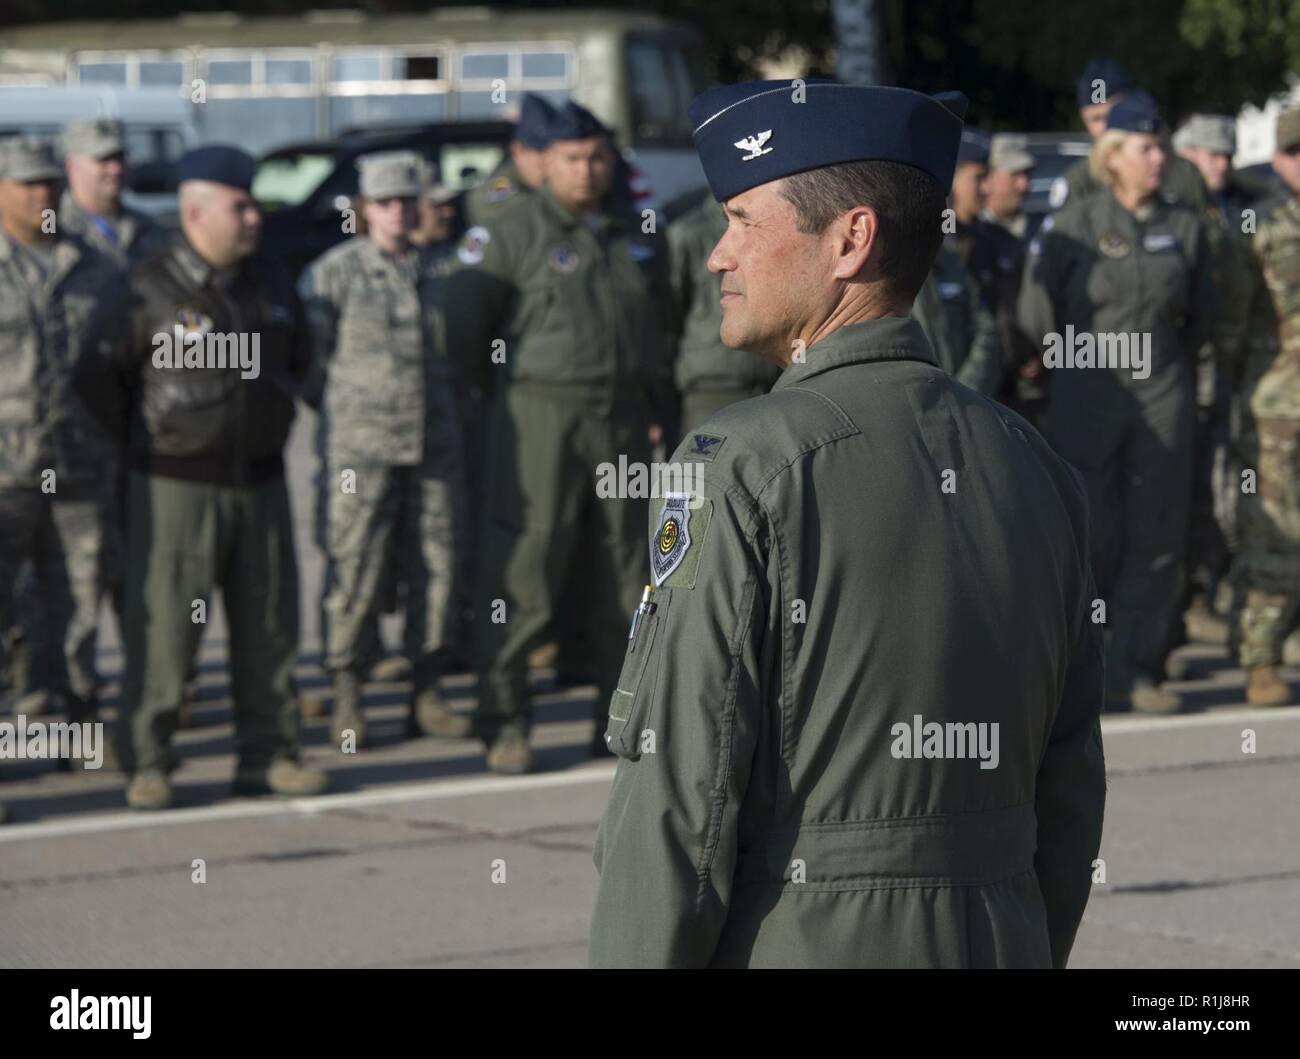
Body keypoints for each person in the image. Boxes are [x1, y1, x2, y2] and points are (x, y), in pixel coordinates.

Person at [589, 80, 1105, 968]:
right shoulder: (1036, 464)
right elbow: (1068, 797)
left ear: (850, 239)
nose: (719, 254)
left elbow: (682, 793)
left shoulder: (739, 461)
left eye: (745, 220)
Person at [76, 145, 327, 809]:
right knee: (163, 627)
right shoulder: (148, 286)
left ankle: (269, 753)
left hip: (263, 480)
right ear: (195, 211)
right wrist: (150, 443)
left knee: (269, 625)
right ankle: (148, 759)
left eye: (253, 204)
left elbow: (300, 359)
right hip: (173, 483)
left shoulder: (272, 280)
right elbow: (100, 377)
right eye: (238, 205)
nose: (253, 217)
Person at [445, 102, 674, 774]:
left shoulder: (635, 234)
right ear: (547, 163)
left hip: (621, 417)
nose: (587, 169)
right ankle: (505, 718)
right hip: (540, 411)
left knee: (626, 566)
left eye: (598, 155)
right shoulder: (509, 230)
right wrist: (495, 392)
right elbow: (460, 323)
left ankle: (620, 711)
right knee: (524, 562)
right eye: (573, 157)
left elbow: (658, 320)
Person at [1019, 92, 1213, 714]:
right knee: (1088, 529)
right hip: (1088, 386)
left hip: (1161, 388)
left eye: (1161, 147)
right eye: (1145, 147)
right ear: (1113, 155)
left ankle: (1138, 668)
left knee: (1157, 531)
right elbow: (1036, 307)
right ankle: (1081, 669)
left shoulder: (1186, 224)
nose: (1158, 159)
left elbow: (1203, 314)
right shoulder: (1076, 223)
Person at [299, 151, 468, 748]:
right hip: (359, 451)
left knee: (438, 568)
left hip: (435, 446)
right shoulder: (333, 274)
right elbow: (310, 367)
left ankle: (427, 690)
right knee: (354, 569)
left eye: (406, 202)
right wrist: (353, 412)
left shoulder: (443, 274)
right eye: (384, 203)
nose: (397, 213)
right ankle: (347, 689)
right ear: (365, 210)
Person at [0, 138, 124, 747]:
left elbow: (123, 362)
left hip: (77, 464)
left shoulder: (94, 267)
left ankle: (77, 732)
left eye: (50, 183)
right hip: (4, 472)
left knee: (79, 602)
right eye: (28, 184)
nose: (43, 195)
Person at [1171, 114, 1269, 647]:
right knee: (1192, 484)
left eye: (1225, 154)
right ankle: (1189, 600)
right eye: (1209, 154)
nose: (1220, 164)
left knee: (1233, 481)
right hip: (1192, 360)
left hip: (1240, 360)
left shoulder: (1249, 203)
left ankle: (1221, 592)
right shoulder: (1177, 208)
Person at [1224, 107, 1300, 706]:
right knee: (1271, 529)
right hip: (1278, 406)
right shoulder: (1262, 232)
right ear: (1279, 162)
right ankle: (1261, 659)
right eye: (1296, 154)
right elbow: (1233, 323)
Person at [668, 198, 779, 434]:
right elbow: (667, 319)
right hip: (713, 386)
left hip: (777, 379)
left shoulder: (777, 218)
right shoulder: (688, 232)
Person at [944, 129, 1031, 407]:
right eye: (979, 178)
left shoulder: (997, 241)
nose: (987, 189)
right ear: (950, 178)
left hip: (1000, 390)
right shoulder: (926, 248)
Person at [1050, 59, 1206, 212]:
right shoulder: (1079, 182)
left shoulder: (1180, 173)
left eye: (1114, 114)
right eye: (1096, 119)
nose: (1106, 127)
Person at [59, 118, 169, 269]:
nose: (116, 169)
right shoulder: (55, 226)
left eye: (120, 158)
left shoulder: (145, 227)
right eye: (103, 160)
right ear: (71, 166)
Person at [910, 243, 1002, 395]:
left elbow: (986, 329)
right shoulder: (884, 271)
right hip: (915, 399)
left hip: (967, 397)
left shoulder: (954, 265)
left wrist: (964, 390)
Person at [461, 93, 555, 227]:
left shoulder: (545, 185)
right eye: (540, 150)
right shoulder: (496, 192)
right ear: (517, 151)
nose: (548, 160)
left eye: (553, 151)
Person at [982, 135, 1035, 239]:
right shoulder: (966, 230)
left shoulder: (1037, 230)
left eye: (1027, 174)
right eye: (1014, 174)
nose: (1024, 185)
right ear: (989, 176)